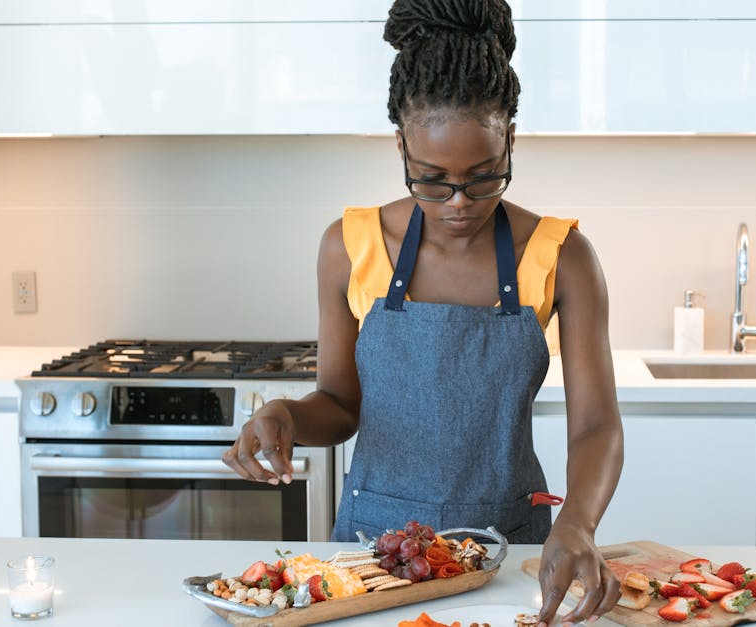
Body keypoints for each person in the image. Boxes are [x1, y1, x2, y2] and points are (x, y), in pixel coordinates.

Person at [222, 0, 624, 623]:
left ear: (511, 138)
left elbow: (595, 425)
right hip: (371, 559)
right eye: (431, 179)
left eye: (486, 177)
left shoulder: (560, 255)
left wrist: (578, 523)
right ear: (401, 147)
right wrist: (287, 414)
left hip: (507, 552)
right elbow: (339, 403)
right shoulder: (349, 246)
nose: (459, 202)